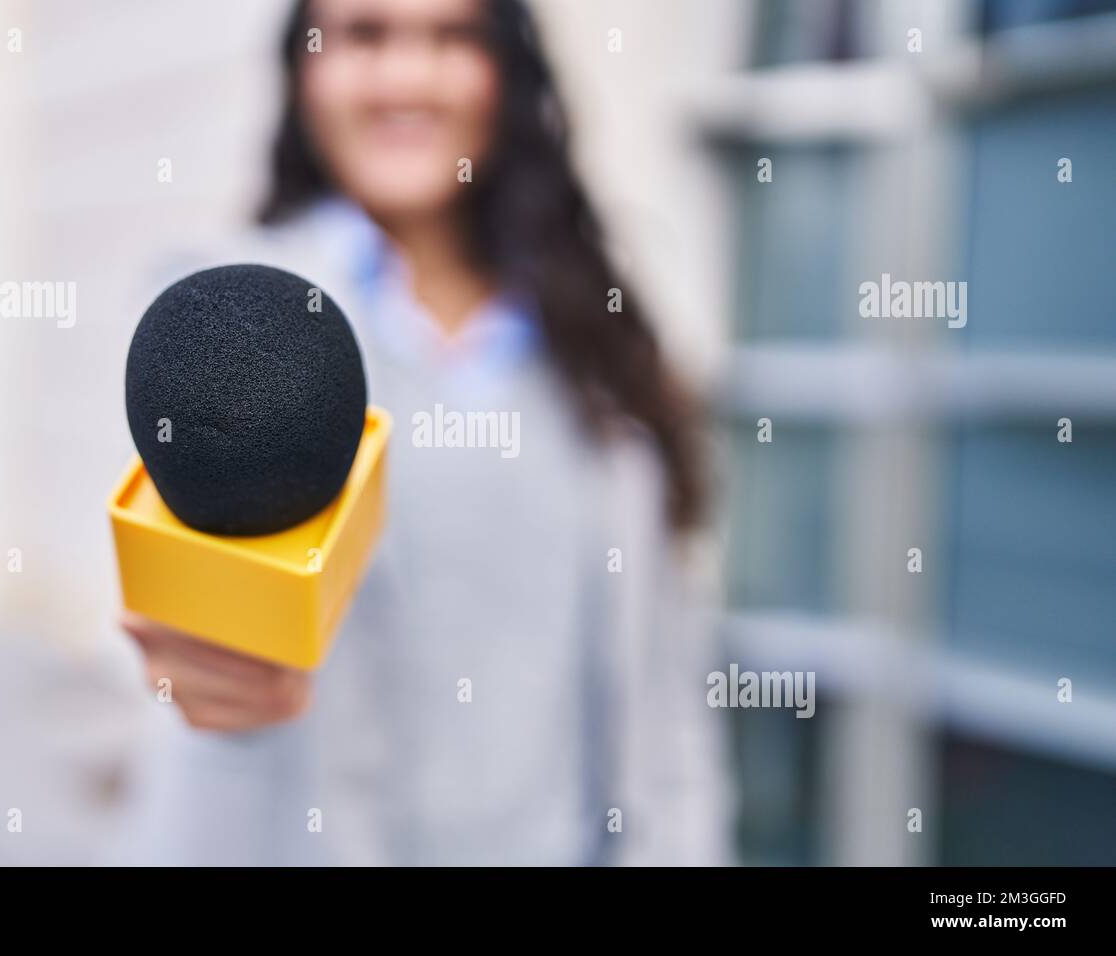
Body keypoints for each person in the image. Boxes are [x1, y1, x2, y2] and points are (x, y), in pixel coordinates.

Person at [114, 0, 733, 865]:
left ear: (505, 73)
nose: (406, 77)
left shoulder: (598, 339)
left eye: (452, 36)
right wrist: (210, 661)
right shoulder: (228, 324)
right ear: (305, 71)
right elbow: (163, 603)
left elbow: (668, 713)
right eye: (365, 34)